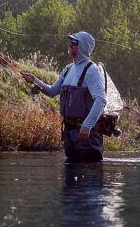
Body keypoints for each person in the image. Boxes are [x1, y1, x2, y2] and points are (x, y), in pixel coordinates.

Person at [21, 31, 107, 161]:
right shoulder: (68, 69)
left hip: (87, 135)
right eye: (70, 42)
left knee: (90, 175)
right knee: (70, 177)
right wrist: (35, 81)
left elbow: (100, 100)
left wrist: (87, 125)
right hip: (69, 134)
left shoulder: (92, 70)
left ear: (83, 46)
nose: (70, 45)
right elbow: (52, 91)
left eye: (74, 42)